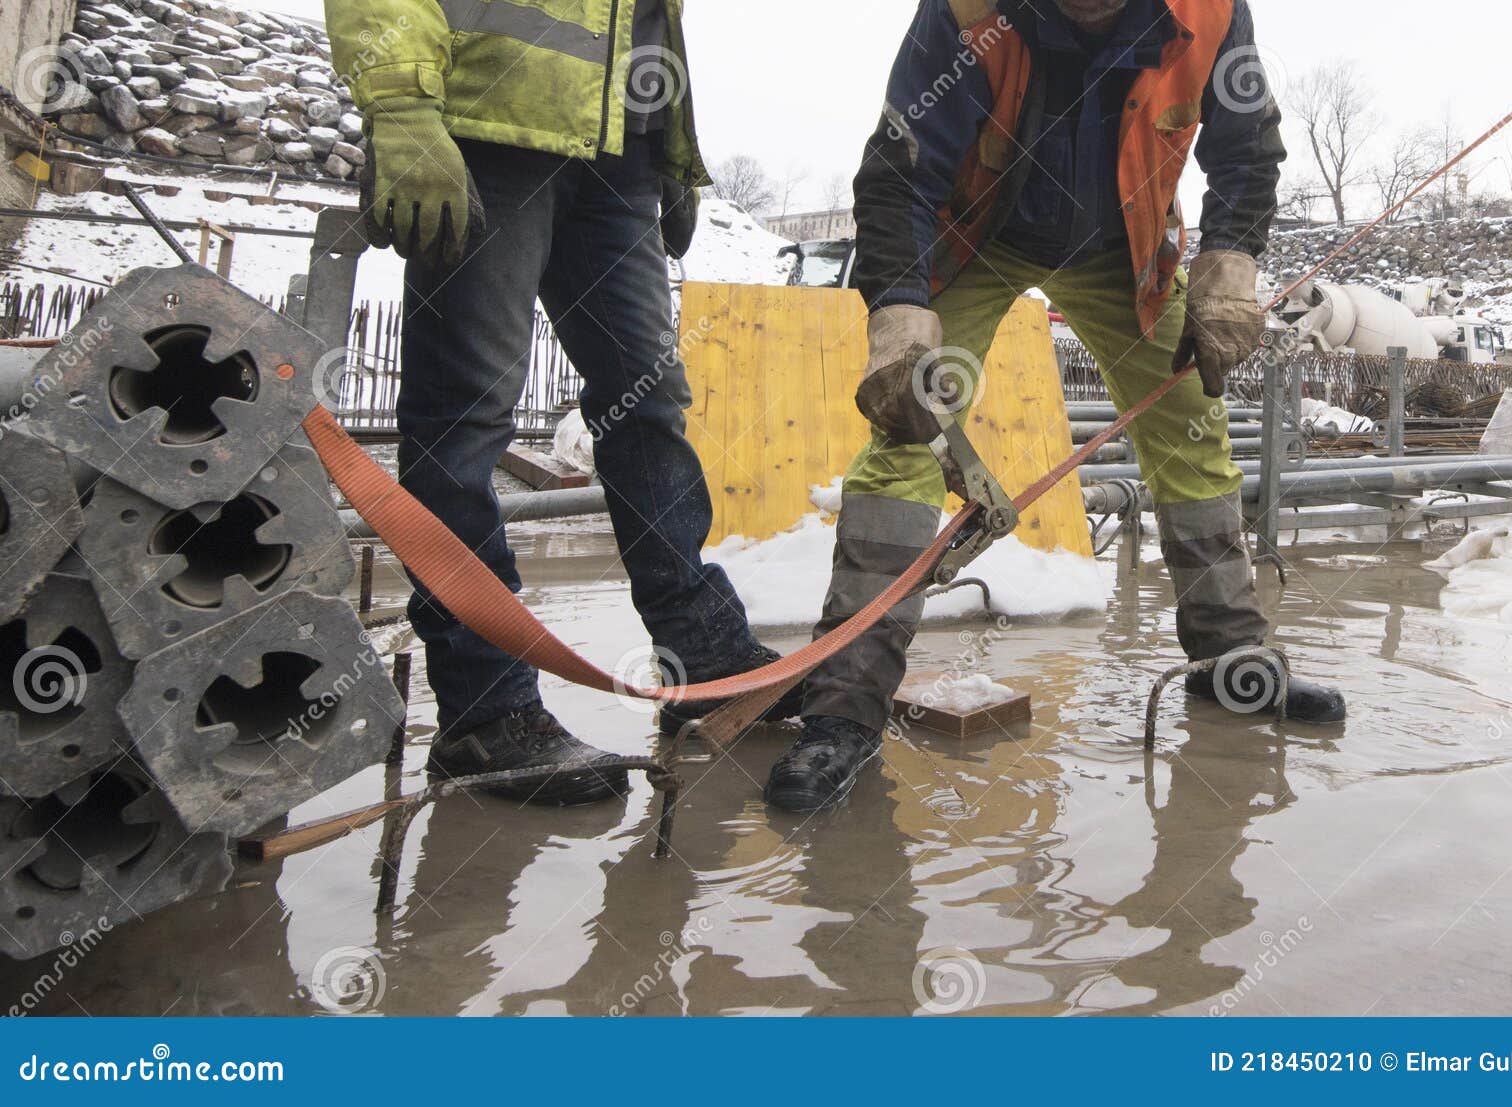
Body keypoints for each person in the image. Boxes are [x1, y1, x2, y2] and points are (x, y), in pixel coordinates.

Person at [765, 0, 1345, 813]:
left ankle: (1230, 660)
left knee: (1189, 421)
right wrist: (899, 317)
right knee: (910, 426)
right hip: (979, 235)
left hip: (1124, 249)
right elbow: (899, 171)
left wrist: (1228, 268)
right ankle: (842, 710)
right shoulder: (968, 13)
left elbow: (1246, 154)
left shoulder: (1211, 13)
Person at [328, 0, 797, 805]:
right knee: (466, 420)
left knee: (648, 407)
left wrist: (672, 147)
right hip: (488, 131)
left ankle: (707, 656)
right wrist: (402, 103)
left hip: (622, 155)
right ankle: (486, 709)